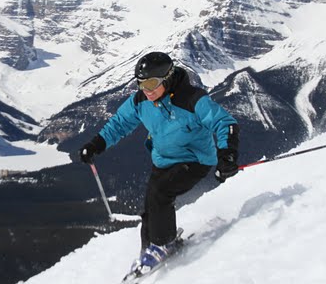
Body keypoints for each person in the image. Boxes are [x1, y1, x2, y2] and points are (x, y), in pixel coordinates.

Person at [79, 51, 240, 272]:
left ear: (168, 77)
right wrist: (96, 144)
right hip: (162, 160)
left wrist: (227, 154)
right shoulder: (141, 100)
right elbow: (119, 124)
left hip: (195, 160)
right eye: (141, 84)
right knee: (150, 209)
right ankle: (148, 249)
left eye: (153, 83)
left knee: (161, 192)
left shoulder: (192, 99)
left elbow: (225, 123)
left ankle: (163, 244)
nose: (147, 90)